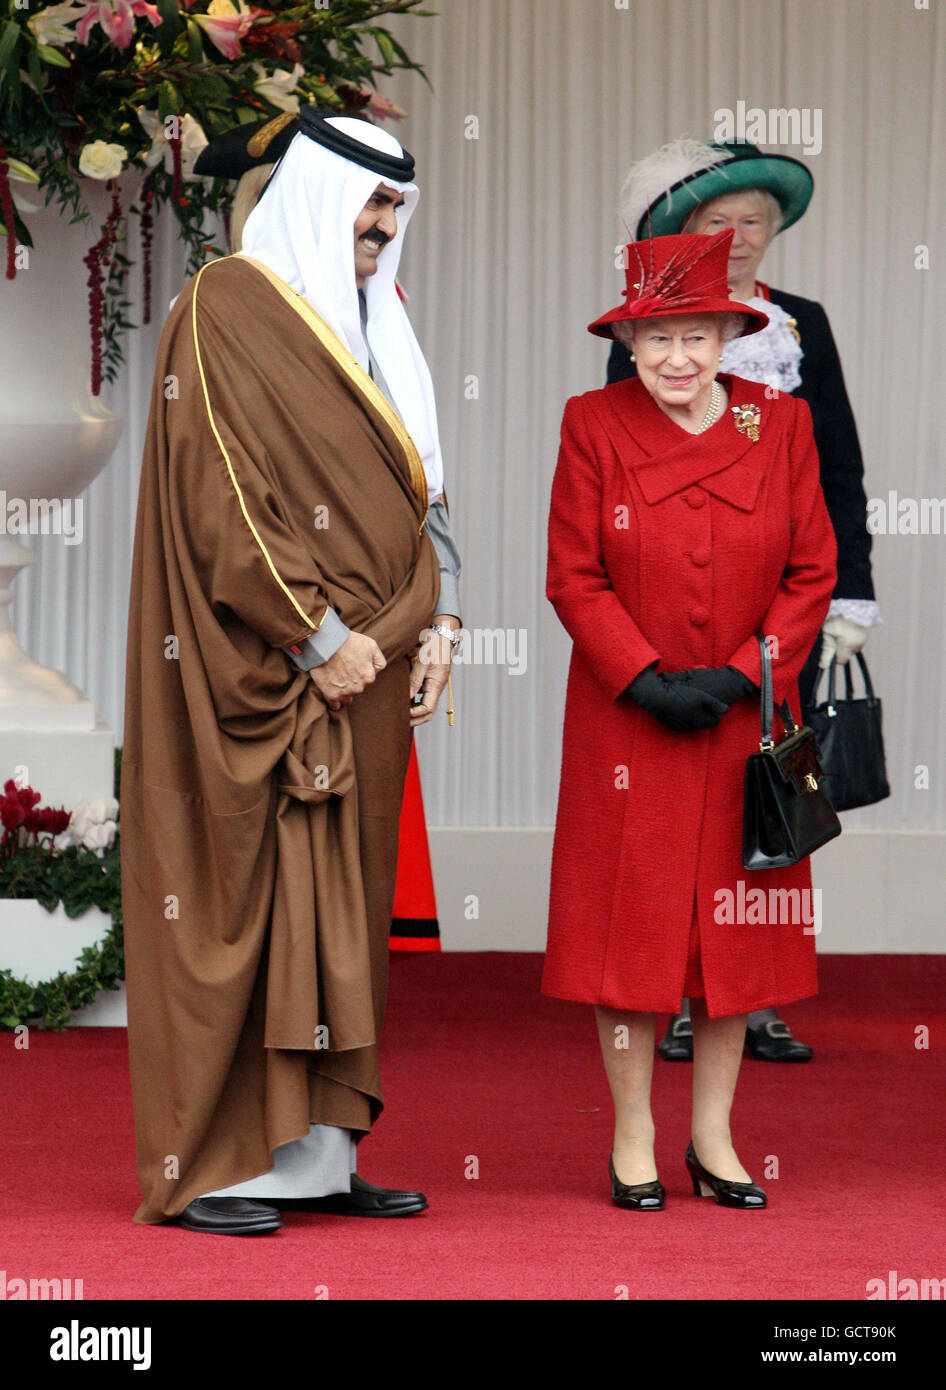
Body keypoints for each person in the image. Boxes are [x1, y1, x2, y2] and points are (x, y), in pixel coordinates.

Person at [121, 109, 462, 1235]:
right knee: (257, 903)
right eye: (368, 204)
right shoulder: (226, 305)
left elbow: (419, 489)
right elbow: (221, 492)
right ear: (315, 197)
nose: (381, 226)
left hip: (375, 674)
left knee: (342, 911)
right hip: (266, 673)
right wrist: (319, 637)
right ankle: (225, 1162)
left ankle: (318, 1155)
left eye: (394, 210)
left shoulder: (371, 322)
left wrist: (440, 621)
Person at [543, 228, 837, 1209]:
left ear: (727, 334)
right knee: (625, 936)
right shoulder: (591, 423)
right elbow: (573, 576)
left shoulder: (777, 426)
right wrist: (645, 677)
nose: (676, 357)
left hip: (745, 724)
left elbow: (811, 570)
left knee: (733, 936)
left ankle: (713, 1136)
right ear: (629, 342)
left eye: (696, 335)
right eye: (656, 337)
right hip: (628, 721)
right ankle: (633, 1132)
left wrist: (749, 672)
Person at [607, 139, 878, 1063]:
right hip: (676, 606)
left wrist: (851, 592)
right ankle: (676, 992)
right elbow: (621, 476)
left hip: (780, 612)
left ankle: (753, 995)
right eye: (720, 221)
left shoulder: (803, 324)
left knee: (768, 791)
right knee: (673, 815)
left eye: (755, 220)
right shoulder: (647, 335)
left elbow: (839, 468)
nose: (741, 235)